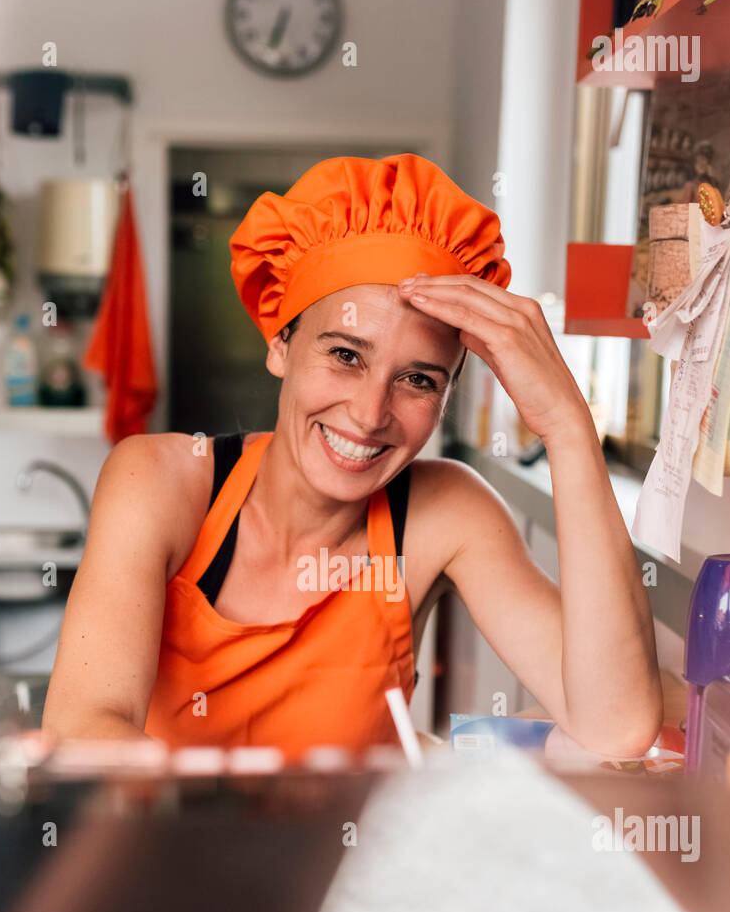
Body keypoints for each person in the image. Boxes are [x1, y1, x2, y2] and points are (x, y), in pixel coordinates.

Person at [42, 152, 661, 759]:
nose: (370, 414)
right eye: (345, 355)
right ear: (281, 343)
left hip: (355, 859)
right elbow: (84, 728)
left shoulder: (448, 513)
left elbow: (616, 726)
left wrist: (567, 425)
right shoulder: (160, 482)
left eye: (418, 379)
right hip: (169, 852)